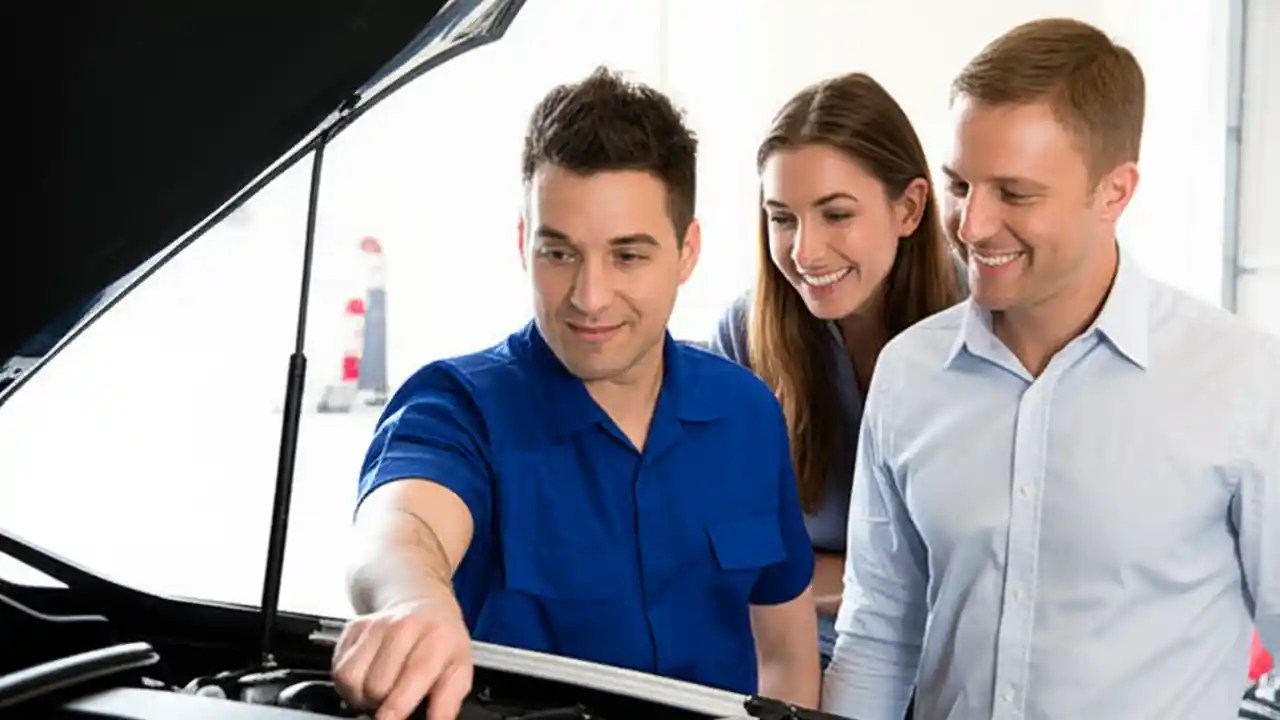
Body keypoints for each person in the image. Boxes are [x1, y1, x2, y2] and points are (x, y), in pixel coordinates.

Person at [821, 17, 1279, 720]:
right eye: (960, 185)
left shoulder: (1241, 380)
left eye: (1015, 193)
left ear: (1115, 192)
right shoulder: (909, 373)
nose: (971, 226)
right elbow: (880, 631)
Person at [331, 66, 820, 720]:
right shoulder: (459, 407)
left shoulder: (749, 414)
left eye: (628, 255)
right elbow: (401, 529)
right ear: (522, 244)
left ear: (687, 251)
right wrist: (413, 602)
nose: (589, 298)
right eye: (558, 253)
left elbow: (785, 649)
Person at [708, 71, 964, 668]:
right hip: (788, 656)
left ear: (909, 207)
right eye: (782, 218)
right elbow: (731, 553)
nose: (805, 251)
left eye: (836, 214)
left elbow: (985, 577)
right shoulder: (746, 336)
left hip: (948, 667)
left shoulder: (988, 325)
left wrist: (820, 578)